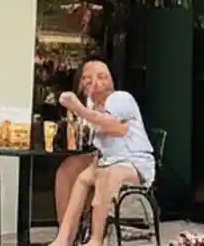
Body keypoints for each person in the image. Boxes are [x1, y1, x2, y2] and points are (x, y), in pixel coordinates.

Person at [49, 60, 155, 246]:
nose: (94, 83)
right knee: (81, 177)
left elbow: (115, 128)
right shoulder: (93, 108)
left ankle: (96, 240)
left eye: (101, 77)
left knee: (105, 175)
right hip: (109, 160)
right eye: (87, 79)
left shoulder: (120, 98)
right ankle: (64, 239)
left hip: (134, 163)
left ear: (110, 81)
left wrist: (79, 109)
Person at [52, 65, 96, 221]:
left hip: (107, 156)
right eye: (85, 78)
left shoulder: (112, 103)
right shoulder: (75, 104)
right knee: (66, 170)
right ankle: (67, 228)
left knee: (69, 170)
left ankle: (70, 229)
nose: (89, 82)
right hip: (84, 154)